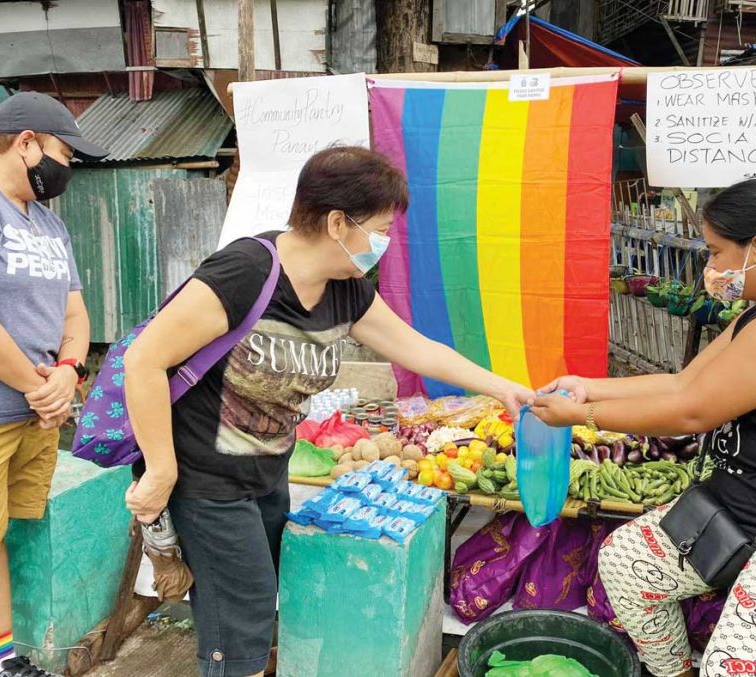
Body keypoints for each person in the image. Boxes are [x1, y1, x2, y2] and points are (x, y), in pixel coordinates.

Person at [122, 146, 536, 677]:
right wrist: (161, 468)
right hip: (206, 482)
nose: (383, 243)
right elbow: (144, 362)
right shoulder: (245, 272)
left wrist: (504, 389)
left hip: (267, 474)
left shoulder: (345, 291)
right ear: (337, 221)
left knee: (253, 604)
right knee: (239, 625)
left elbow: (416, 349)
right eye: (379, 229)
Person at [531, 179, 756, 677]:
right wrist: (588, 387)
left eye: (715, 252)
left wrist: (584, 417)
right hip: (753, 510)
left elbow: (691, 412)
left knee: (730, 667)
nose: (710, 268)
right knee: (624, 563)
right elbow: (685, 381)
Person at [0, 92, 107, 677]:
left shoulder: (45, 221)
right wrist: (39, 387)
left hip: (30, 414)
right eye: (65, 154)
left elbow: (75, 314)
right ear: (26, 144)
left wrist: (67, 372)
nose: (67, 168)